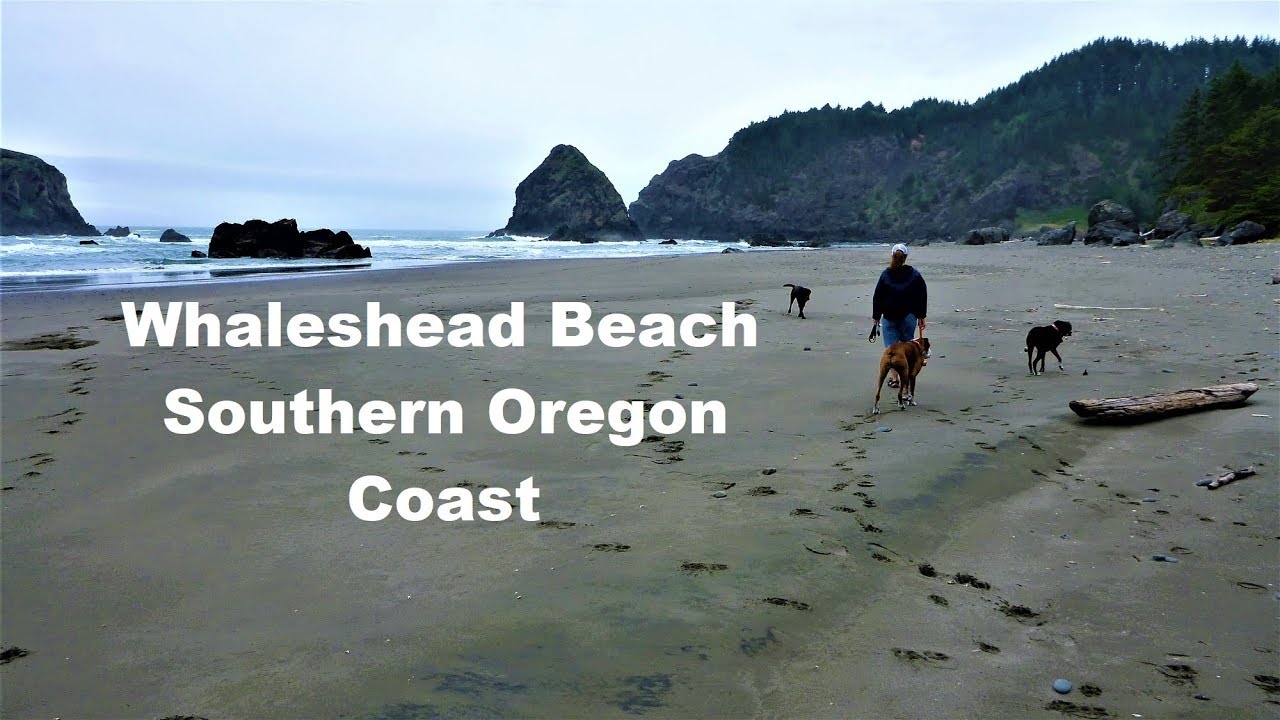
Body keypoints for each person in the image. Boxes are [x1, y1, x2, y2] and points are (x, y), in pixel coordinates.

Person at [871, 243, 928, 387]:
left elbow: (878, 296)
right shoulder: (914, 275)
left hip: (889, 315)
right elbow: (922, 295)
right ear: (906, 257)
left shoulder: (885, 275)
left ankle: (896, 379)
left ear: (892, 256)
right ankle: (906, 378)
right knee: (907, 349)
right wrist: (921, 315)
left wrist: (876, 316)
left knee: (891, 349)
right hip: (909, 315)